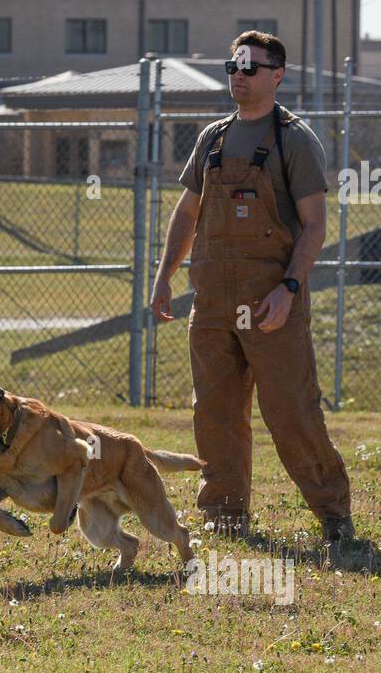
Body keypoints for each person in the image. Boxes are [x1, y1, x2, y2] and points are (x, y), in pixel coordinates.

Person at [149, 30, 354, 544]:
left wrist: (288, 287)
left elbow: (314, 225)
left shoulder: (294, 140)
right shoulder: (212, 138)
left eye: (251, 68)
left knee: (291, 412)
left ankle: (334, 517)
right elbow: (188, 211)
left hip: (269, 303)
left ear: (277, 75)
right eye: (233, 67)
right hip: (213, 302)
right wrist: (164, 274)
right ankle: (224, 517)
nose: (239, 75)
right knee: (214, 415)